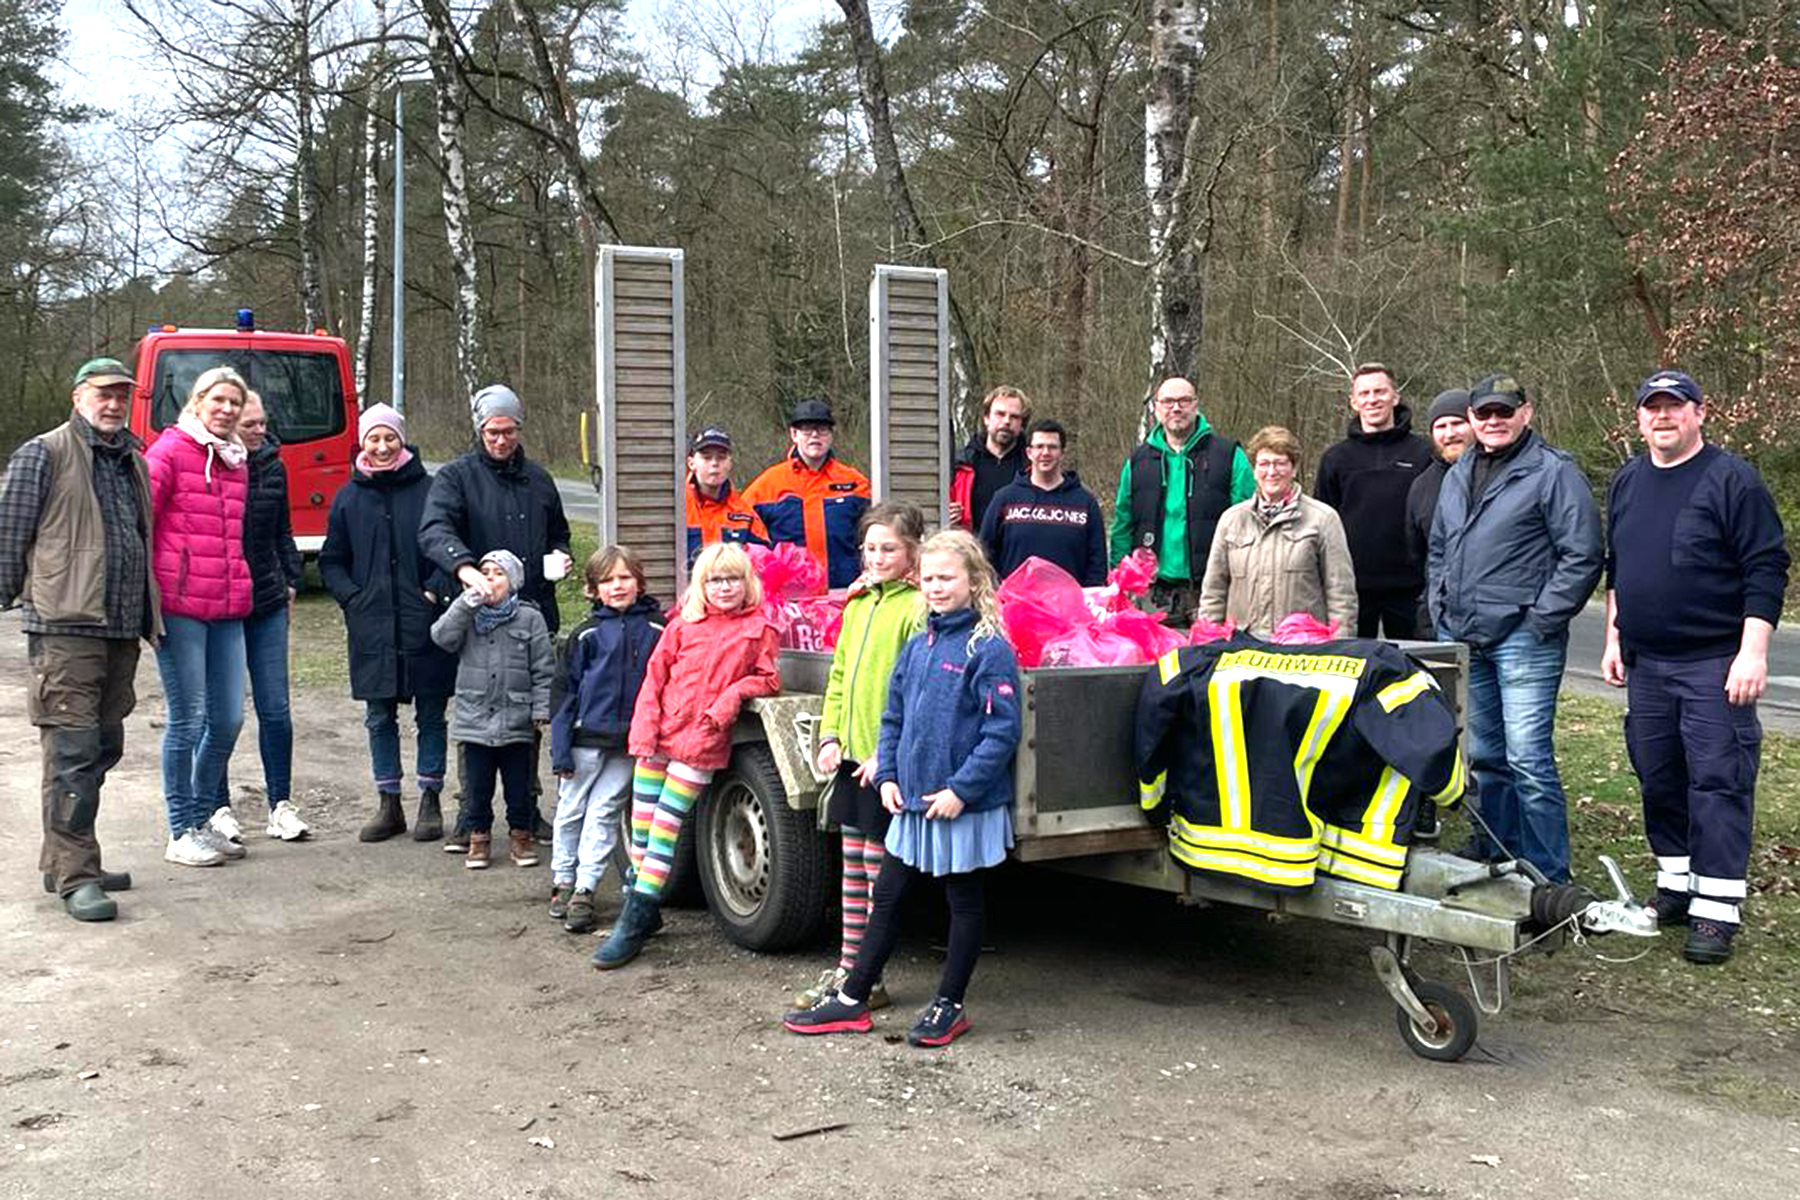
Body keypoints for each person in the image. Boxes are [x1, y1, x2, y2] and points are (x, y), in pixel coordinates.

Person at [782, 529, 1022, 1049]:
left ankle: (949, 1004)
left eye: (947, 578)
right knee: (886, 896)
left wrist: (961, 789)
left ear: (974, 580)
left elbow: (1001, 731)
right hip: (910, 801)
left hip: (960, 804)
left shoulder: (990, 648)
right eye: (930, 578)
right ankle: (853, 999)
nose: (936, 588)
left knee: (963, 900)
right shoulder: (918, 646)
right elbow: (893, 719)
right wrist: (888, 774)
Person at [1601, 369, 1789, 965]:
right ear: (1639, 419)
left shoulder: (1732, 481)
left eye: (1674, 407)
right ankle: (1677, 885)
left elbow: (1766, 568)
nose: (1663, 417)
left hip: (1714, 662)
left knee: (1718, 781)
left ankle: (1717, 910)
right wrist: (1613, 638)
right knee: (1658, 777)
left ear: (1699, 413)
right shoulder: (1627, 481)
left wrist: (1752, 651)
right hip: (1647, 664)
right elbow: (1619, 568)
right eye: (1652, 408)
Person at [0, 358, 161, 922]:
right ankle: (76, 875)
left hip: (119, 628)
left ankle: (67, 857)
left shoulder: (131, 460)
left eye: (122, 395)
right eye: (103, 394)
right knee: (72, 754)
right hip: (65, 627)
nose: (113, 403)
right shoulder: (43, 453)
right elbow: (9, 535)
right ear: (77, 396)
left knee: (103, 747)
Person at [1428, 373, 1602, 883]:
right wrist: (1440, 604)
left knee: (1529, 759)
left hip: (1524, 638)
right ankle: (1494, 851)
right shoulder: (1460, 473)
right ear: (1473, 419)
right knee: (1484, 756)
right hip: (1464, 634)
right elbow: (1440, 547)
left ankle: (1549, 873)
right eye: (1484, 413)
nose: (1494, 421)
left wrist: (1542, 617)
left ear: (1526, 412)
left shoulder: (1552, 473)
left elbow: (1583, 554)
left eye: (1505, 411)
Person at [597, 542, 780, 969]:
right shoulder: (683, 625)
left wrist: (732, 697)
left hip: (700, 741)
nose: (724, 587)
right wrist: (643, 732)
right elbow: (654, 680)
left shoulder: (758, 628)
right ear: (701, 584)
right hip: (660, 735)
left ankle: (633, 919)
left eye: (733, 578)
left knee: (664, 826)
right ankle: (644, 910)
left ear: (746, 582)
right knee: (641, 829)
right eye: (715, 580)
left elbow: (768, 679)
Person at [419, 383, 573, 850]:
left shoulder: (540, 480)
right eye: (491, 432)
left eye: (508, 431)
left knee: (528, 715)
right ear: (479, 430)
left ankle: (526, 810)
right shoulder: (456, 477)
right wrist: (465, 569)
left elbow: (560, 533)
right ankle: (472, 816)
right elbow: (433, 529)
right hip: (478, 616)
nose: (501, 441)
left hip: (532, 613)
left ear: (519, 429)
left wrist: (561, 557)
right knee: (477, 712)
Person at [793, 500, 927, 1011]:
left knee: (878, 873)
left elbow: (917, 693)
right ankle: (850, 966)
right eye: (870, 548)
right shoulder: (858, 604)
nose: (877, 557)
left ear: (912, 551)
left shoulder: (916, 610)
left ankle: (870, 976)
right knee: (850, 867)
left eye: (888, 548)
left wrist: (884, 755)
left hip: (885, 764)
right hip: (851, 760)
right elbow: (841, 677)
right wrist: (831, 736)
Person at [319, 404, 459, 843]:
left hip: (424, 622)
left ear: (402, 441)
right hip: (372, 625)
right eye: (373, 439)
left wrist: (435, 590)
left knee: (431, 713)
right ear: (362, 443)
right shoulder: (348, 496)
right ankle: (389, 802)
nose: (382, 447)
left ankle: (430, 798)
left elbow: (449, 548)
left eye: (389, 439)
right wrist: (353, 598)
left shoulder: (431, 490)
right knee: (379, 716)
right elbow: (332, 560)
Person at [148, 365, 254, 868]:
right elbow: (139, 519)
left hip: (228, 606)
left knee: (228, 718)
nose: (228, 409)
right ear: (197, 402)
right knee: (187, 720)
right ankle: (179, 828)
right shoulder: (169, 451)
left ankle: (201, 816)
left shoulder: (238, 461)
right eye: (219, 400)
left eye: (235, 402)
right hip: (181, 605)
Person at [547, 545, 664, 935]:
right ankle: (562, 880)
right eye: (608, 580)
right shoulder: (585, 635)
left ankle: (585, 888)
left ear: (639, 582)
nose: (617, 587)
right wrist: (560, 749)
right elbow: (564, 694)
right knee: (572, 809)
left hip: (630, 741)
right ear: (593, 589)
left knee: (605, 812)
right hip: (584, 740)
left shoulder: (657, 630)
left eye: (625, 578)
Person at [209, 390, 307, 844]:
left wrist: (291, 581)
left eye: (263, 423)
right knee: (223, 714)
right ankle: (217, 806)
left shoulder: (274, 466)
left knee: (277, 710)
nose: (260, 431)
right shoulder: (210, 465)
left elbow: (283, 530)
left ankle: (280, 805)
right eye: (251, 425)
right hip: (221, 605)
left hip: (267, 600)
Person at [430, 549, 555, 870]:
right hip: (474, 719)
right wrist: (464, 603)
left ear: (512, 583)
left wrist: (541, 708)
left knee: (520, 786)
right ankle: (478, 838)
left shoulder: (530, 618)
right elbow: (441, 637)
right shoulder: (467, 615)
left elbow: (544, 668)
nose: (490, 578)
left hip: (517, 720)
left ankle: (521, 836)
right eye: (484, 572)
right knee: (477, 787)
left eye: (498, 573)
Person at [1108, 377, 1255, 623]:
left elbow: (1248, 523)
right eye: (1168, 401)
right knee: (1153, 661)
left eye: (1184, 400)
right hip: (1151, 594)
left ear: (1196, 405)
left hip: (1213, 592)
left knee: (1209, 660)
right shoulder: (1137, 462)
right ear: (1155, 408)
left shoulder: (1229, 456)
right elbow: (1123, 523)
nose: (1176, 408)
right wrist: (1119, 581)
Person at [1198, 426, 1357, 637]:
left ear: (1293, 468)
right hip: (1242, 646)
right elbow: (1213, 592)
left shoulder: (1323, 519)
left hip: (1304, 648)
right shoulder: (1232, 520)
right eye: (1264, 464)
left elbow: (1341, 594)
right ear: (1254, 470)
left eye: (1280, 463)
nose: (1271, 472)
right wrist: (1207, 643)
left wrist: (1340, 646)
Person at [1315, 363, 1433, 639]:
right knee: (1356, 674)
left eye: (1380, 391)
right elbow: (1321, 522)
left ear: (1395, 396)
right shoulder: (1335, 459)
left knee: (1414, 671)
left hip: (1412, 588)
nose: (1372, 399)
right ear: (1353, 402)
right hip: (1352, 589)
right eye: (1364, 393)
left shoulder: (1424, 453)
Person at [742, 398, 872, 589]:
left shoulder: (855, 483)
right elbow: (742, 533)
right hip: (789, 600)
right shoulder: (767, 484)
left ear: (831, 435)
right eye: (807, 429)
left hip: (847, 594)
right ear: (794, 434)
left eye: (822, 429)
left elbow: (876, 535)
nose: (814, 435)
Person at [979, 419, 1107, 585]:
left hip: (1068, 606)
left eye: (1052, 447)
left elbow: (1097, 561)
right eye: (1039, 446)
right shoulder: (1005, 499)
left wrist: (1088, 599)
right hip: (1015, 605)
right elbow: (984, 554)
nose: (1045, 453)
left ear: (1062, 452)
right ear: (1029, 452)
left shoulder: (1085, 502)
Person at [1404, 389, 1472, 635]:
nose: (1450, 433)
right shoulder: (1422, 487)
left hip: (1503, 624)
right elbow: (1417, 555)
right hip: (1437, 621)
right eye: (1441, 426)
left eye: (1457, 423)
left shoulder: (1501, 477)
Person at [949, 385, 1030, 531]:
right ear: (986, 418)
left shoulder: (1031, 468)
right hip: (972, 550)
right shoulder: (960, 466)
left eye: (1014, 416)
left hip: (1017, 551)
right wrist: (946, 515)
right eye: (1000, 414)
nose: (1006, 421)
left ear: (1022, 425)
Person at [685, 425, 768, 564]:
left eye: (721, 458)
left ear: (730, 463)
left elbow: (765, 564)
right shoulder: (675, 508)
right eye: (706, 457)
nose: (714, 463)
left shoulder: (745, 514)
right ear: (691, 463)